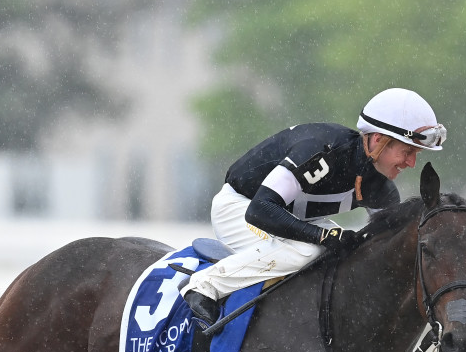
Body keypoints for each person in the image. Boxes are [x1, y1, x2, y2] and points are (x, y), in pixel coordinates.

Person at [181, 88, 446, 326]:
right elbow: (260, 210)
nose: (411, 163)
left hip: (285, 218)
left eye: (416, 155)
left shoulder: (381, 188)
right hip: (241, 208)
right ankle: (203, 286)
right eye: (407, 152)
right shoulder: (324, 151)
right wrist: (322, 236)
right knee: (309, 249)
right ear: (378, 140)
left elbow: (388, 251)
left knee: (349, 255)